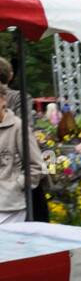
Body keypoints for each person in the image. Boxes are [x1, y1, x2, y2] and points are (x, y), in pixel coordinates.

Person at [0, 92, 43, 224]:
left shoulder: (18, 126)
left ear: (3, 101)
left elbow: (36, 166)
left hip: (9, 206)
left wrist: (17, 185)